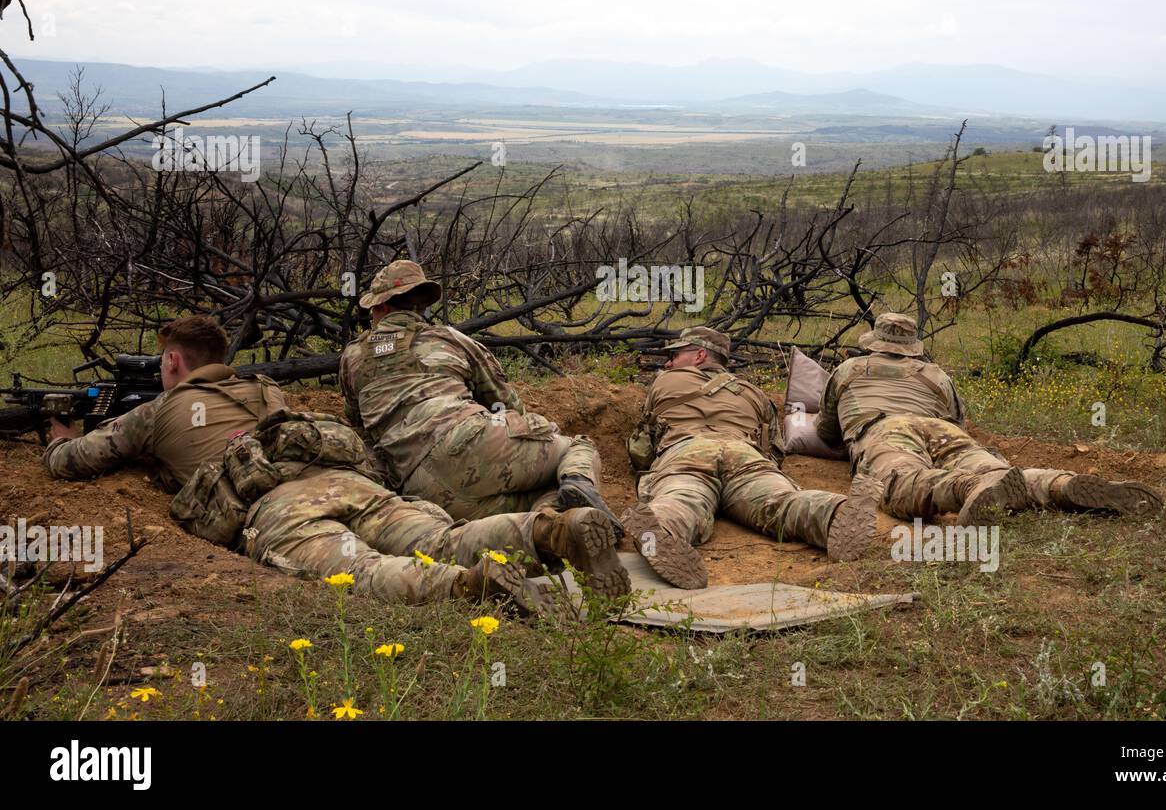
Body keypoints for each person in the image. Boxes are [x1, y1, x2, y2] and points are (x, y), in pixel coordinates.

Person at [44, 315, 623, 609]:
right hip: (348, 482)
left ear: (171, 361)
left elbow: (75, 462)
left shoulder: (159, 410)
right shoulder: (267, 391)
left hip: (279, 508)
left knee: (360, 570)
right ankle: (549, 531)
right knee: (441, 535)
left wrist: (58, 434)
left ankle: (473, 587)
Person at [338, 261, 628, 597]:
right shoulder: (449, 339)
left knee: (525, 506)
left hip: (419, 484)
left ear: (383, 305)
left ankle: (555, 528)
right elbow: (506, 403)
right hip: (467, 438)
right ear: (420, 303)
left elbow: (358, 427)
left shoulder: (353, 356)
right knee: (575, 449)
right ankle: (578, 487)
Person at [816, 312, 1163, 526]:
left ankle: (965, 488)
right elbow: (959, 425)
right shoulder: (935, 375)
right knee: (993, 470)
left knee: (898, 483)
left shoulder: (848, 370)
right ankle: (1059, 485)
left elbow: (826, 431)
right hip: (942, 428)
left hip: (885, 428)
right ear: (912, 345)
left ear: (874, 343)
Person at [622, 326, 877, 589]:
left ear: (699, 356)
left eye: (675, 355)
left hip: (687, 450)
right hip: (744, 453)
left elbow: (643, 446)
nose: (669, 361)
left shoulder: (665, 382)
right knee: (781, 503)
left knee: (682, 501)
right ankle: (834, 513)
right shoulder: (754, 393)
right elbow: (774, 450)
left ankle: (660, 529)